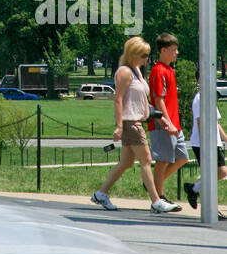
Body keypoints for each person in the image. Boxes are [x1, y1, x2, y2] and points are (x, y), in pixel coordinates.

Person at [91, 36, 181, 214]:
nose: (147, 58)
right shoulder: (124, 72)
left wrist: (160, 118)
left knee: (126, 162)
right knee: (146, 160)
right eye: (143, 55)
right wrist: (119, 126)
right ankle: (156, 201)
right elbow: (118, 99)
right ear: (133, 54)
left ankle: (101, 193)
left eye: (147, 55)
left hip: (138, 120)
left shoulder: (137, 71)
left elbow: (142, 102)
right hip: (130, 122)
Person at [148, 33, 189, 201]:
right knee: (163, 160)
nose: (176, 53)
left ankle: (153, 184)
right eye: (174, 50)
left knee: (182, 158)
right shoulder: (158, 71)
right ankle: (159, 197)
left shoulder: (169, 70)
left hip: (175, 124)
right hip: (164, 124)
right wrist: (168, 123)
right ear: (163, 50)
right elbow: (158, 100)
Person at [185, 70, 227, 219]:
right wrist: (206, 143)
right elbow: (199, 122)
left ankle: (194, 189)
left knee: (220, 172)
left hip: (213, 142)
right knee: (217, 172)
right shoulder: (199, 98)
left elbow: (215, 123)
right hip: (203, 143)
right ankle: (210, 208)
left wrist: (224, 138)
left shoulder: (209, 98)